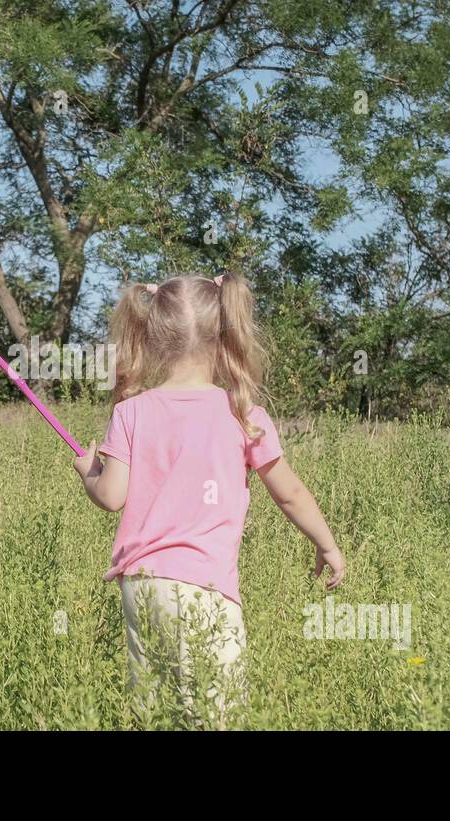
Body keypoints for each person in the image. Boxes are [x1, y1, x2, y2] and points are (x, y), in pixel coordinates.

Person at [72, 273, 346, 727]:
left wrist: (89, 472)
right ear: (223, 339)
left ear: (156, 339)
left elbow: (111, 496)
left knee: (155, 707)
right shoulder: (243, 416)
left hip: (142, 585)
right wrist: (327, 545)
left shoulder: (131, 411)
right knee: (217, 713)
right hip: (206, 589)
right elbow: (291, 495)